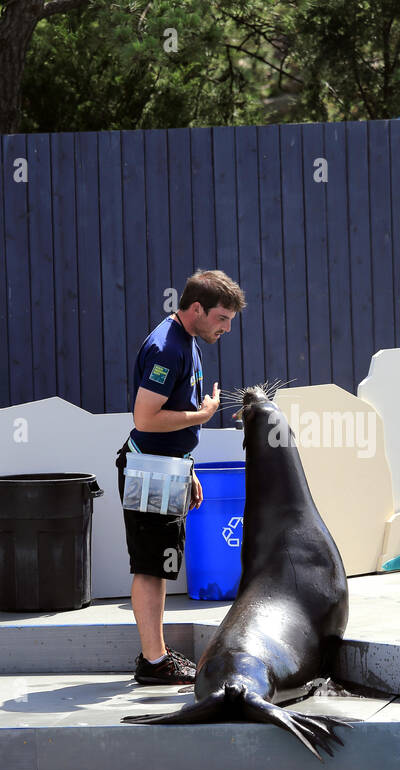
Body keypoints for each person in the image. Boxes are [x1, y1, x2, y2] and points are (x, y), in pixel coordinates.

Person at [117, 269, 245, 682]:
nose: (226, 328)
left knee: (159, 565)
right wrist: (203, 416)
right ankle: (154, 663)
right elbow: (145, 418)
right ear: (196, 309)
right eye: (222, 318)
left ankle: (156, 656)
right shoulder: (167, 348)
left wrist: (187, 466)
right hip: (149, 469)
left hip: (167, 467)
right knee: (151, 568)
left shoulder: (187, 339)